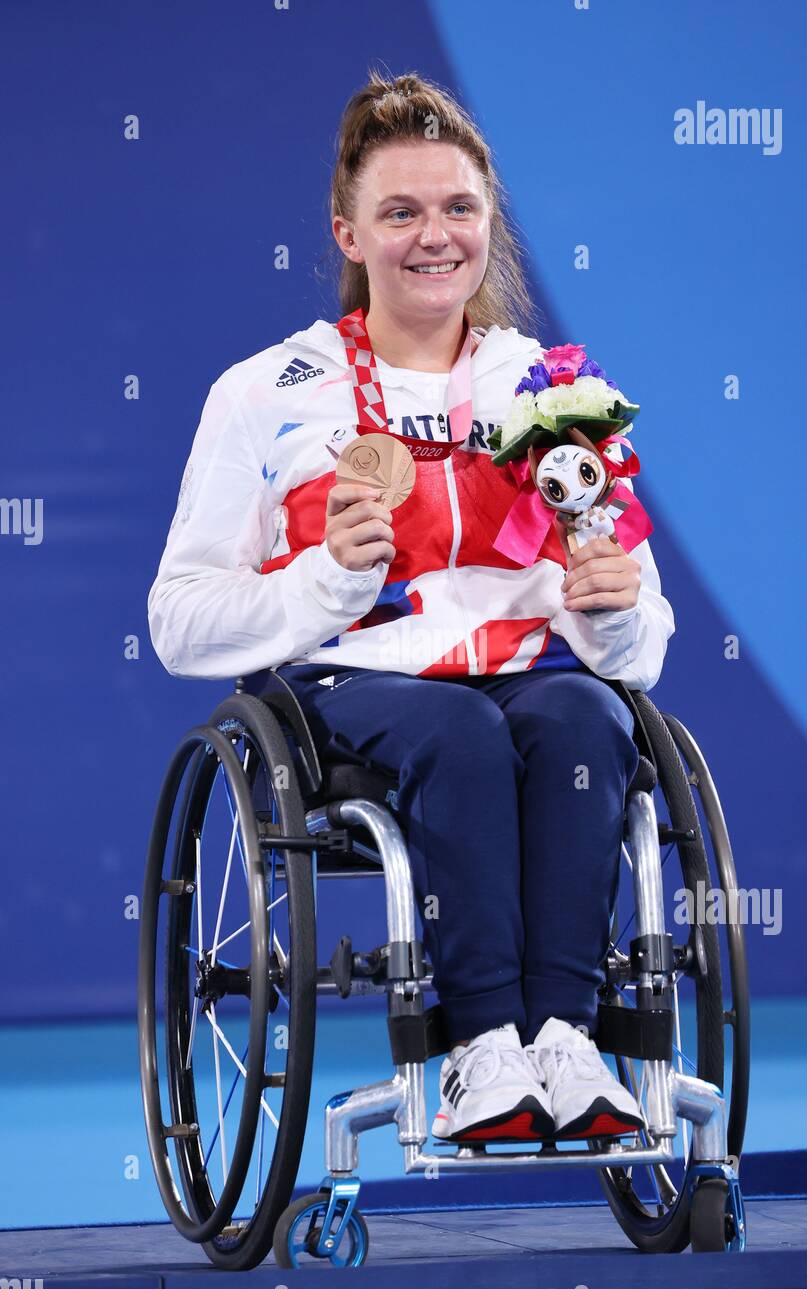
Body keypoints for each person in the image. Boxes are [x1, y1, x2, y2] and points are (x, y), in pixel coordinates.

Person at [148, 68, 675, 1145]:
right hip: (357, 685)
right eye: (399, 212)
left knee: (587, 719)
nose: (432, 236)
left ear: (489, 224)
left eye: (457, 209)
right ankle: (482, 1048)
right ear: (347, 233)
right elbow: (179, 619)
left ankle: (565, 1042)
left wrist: (612, 605)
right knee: (463, 733)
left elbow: (637, 645)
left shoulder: (548, 390)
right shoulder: (266, 394)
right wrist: (327, 578)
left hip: (533, 678)